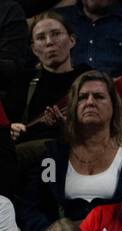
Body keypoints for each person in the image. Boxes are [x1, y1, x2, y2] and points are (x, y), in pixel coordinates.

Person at [18, 70, 122, 231]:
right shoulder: (53, 157)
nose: (90, 102)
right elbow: (31, 207)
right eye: (82, 97)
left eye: (99, 96)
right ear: (73, 107)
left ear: (114, 106)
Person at [4, 11, 90, 148]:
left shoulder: (89, 78)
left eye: (56, 34)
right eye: (41, 37)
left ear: (72, 40)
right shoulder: (23, 81)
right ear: (34, 49)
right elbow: (6, 123)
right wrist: (10, 128)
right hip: (29, 156)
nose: (49, 42)